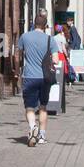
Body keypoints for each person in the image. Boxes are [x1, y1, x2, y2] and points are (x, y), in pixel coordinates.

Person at [16, 10, 53, 147]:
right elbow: (55, 59)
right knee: (43, 107)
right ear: (45, 26)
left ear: (33, 24)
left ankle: (32, 127)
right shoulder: (50, 39)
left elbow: (17, 55)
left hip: (29, 76)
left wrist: (17, 69)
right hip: (44, 78)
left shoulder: (25, 37)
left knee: (30, 107)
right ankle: (42, 136)